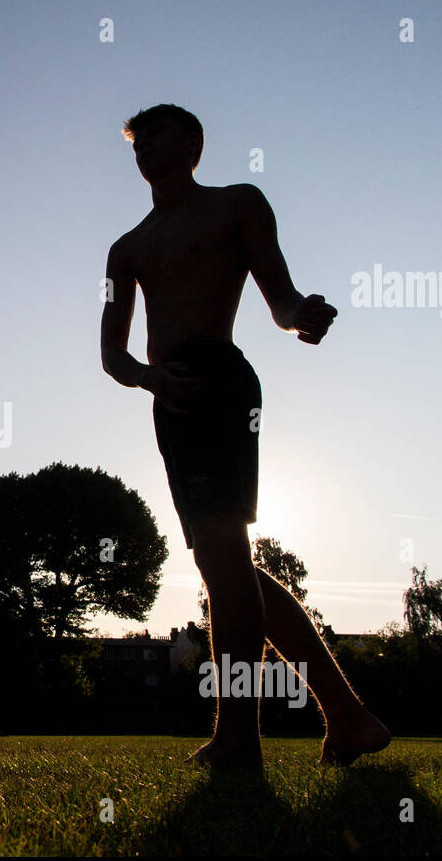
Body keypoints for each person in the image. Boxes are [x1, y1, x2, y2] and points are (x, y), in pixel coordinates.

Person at [100, 104, 390, 771]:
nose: (145, 146)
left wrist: (302, 317)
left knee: (225, 564)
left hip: (222, 384)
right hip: (171, 400)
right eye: (136, 141)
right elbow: (112, 356)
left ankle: (240, 740)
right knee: (225, 567)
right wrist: (149, 378)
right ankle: (346, 716)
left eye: (158, 134)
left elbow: (280, 298)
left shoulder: (237, 204)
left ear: (193, 145)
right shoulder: (127, 248)